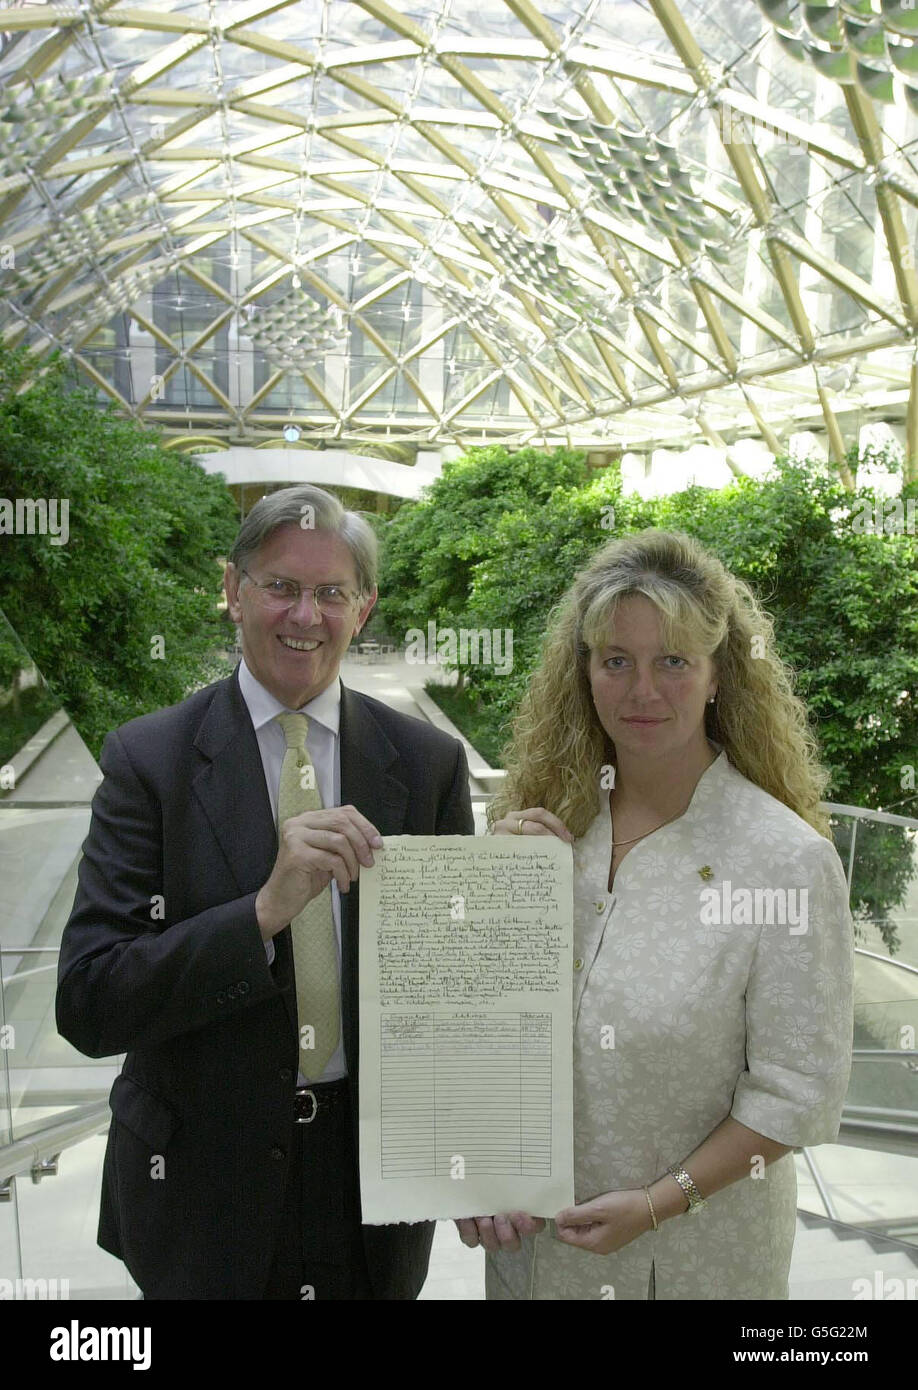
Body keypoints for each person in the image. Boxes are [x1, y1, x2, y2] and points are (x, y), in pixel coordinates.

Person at [56, 483, 474, 1299]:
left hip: (370, 1198)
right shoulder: (151, 762)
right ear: (233, 592)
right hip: (201, 1195)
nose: (304, 616)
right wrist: (262, 913)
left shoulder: (426, 766)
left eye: (331, 594)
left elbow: (453, 1001)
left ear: (364, 609)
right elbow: (90, 1001)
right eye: (281, 586)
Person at [457, 528, 854, 1300]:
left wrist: (658, 1203)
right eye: (617, 661)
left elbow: (795, 1096)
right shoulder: (540, 834)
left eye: (673, 661)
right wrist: (471, 1171)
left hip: (689, 1267)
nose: (642, 691)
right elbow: (480, 1036)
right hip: (531, 1266)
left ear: (716, 677)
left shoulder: (785, 862)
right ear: (586, 673)